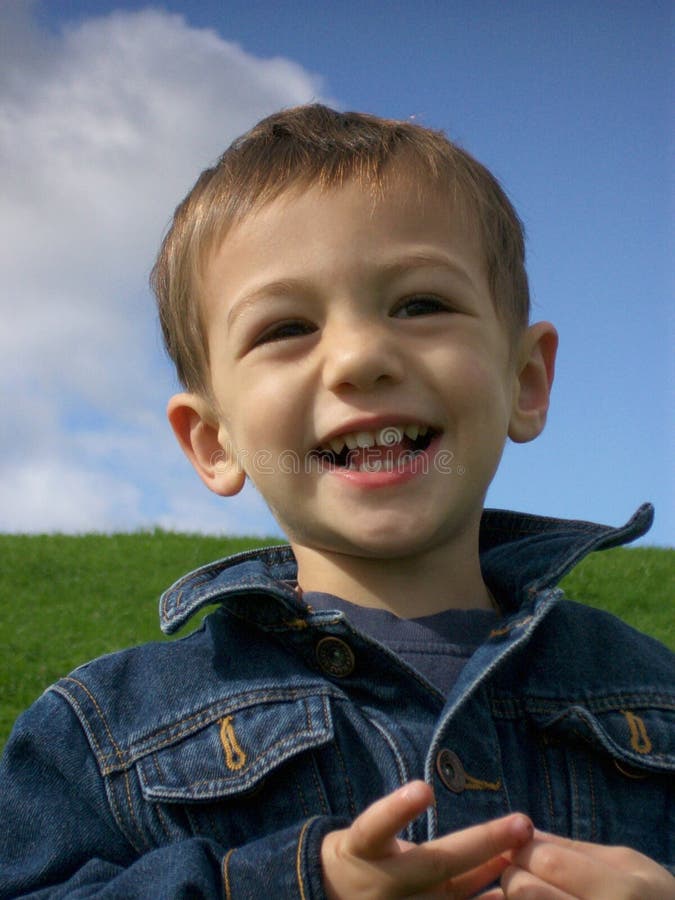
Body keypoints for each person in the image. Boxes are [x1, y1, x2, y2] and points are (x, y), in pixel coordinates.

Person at [0, 105, 673, 899]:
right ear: (213, 443)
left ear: (525, 381)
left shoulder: (655, 694)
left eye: (420, 304)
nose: (360, 357)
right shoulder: (98, 737)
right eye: (286, 326)